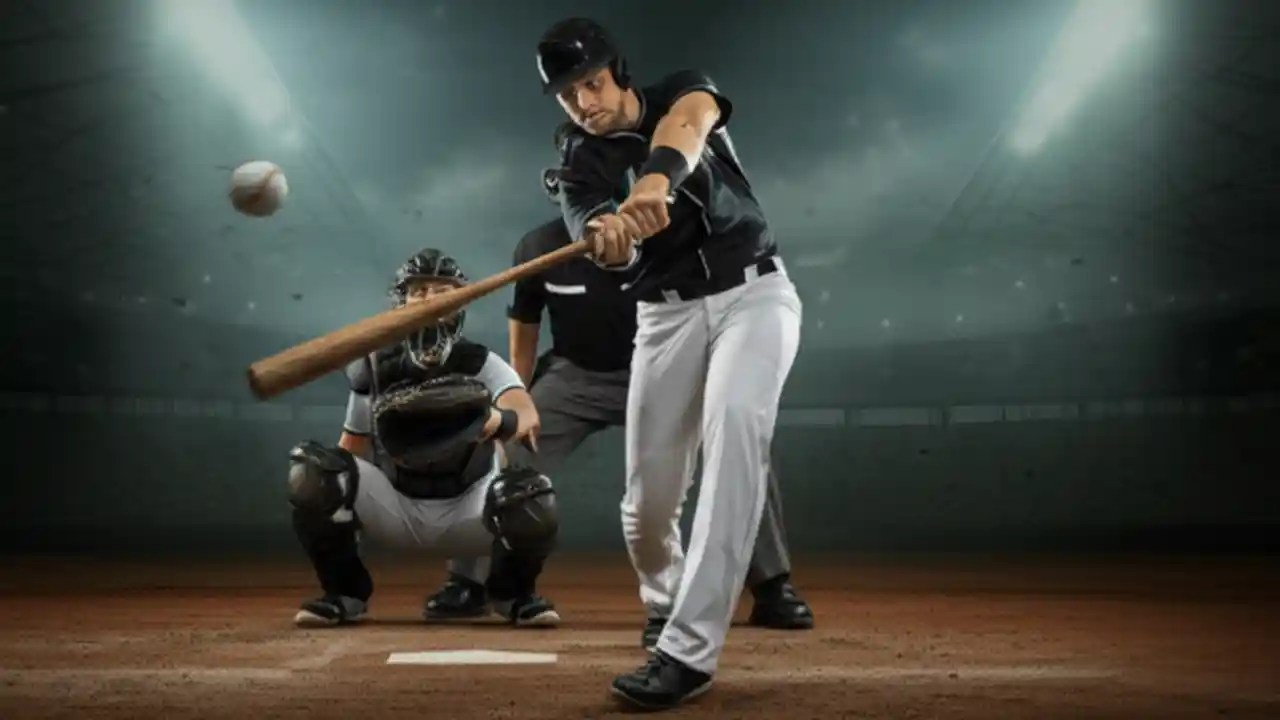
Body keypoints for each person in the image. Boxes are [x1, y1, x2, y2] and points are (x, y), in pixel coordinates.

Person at [422, 163, 815, 641]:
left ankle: (773, 586)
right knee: (506, 448)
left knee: (742, 444)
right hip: (576, 376)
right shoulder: (538, 249)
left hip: (670, 367)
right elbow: (524, 331)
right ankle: (468, 580)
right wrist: (513, 401)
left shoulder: (673, 241)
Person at [534, 17, 804, 710]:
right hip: (665, 316)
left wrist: (654, 184)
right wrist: (609, 234)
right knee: (649, 504)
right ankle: (663, 599)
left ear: (617, 70)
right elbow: (600, 239)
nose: (583, 103)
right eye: (567, 95)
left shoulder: (680, 90)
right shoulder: (574, 164)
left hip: (755, 294)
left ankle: (688, 651)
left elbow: (689, 124)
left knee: (736, 433)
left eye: (590, 83)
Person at [285, 247, 560, 630]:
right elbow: (350, 449)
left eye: (442, 290)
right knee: (315, 471)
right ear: (401, 301)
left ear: (461, 300)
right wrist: (335, 502)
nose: (429, 298)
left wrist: (495, 419)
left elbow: (527, 416)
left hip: (470, 511)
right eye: (418, 290)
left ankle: (513, 594)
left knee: (531, 496)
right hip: (396, 507)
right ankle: (343, 592)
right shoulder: (374, 365)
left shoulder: (479, 362)